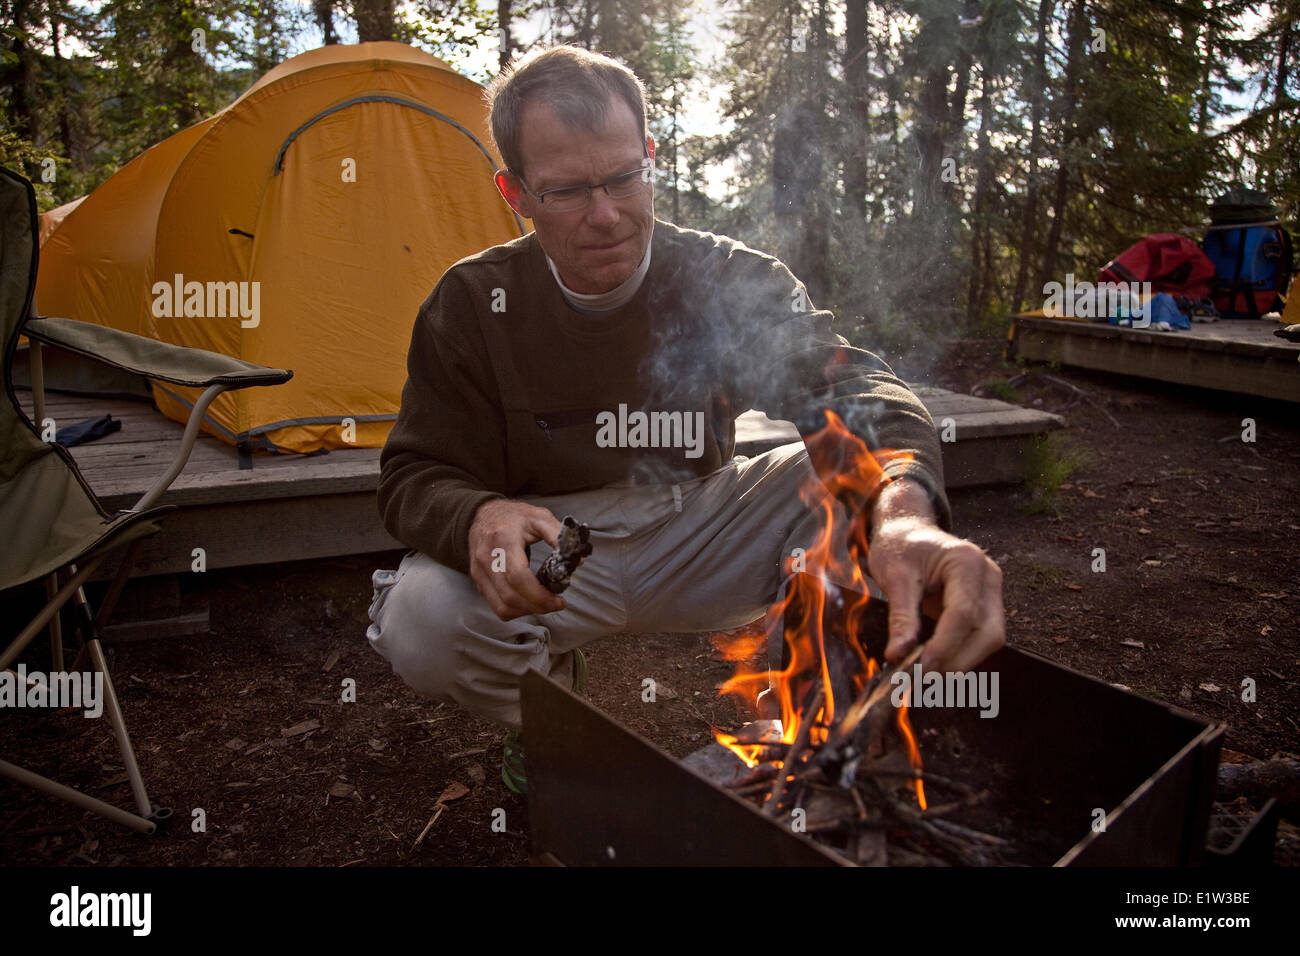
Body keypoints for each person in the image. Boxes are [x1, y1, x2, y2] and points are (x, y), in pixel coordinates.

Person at [365, 46, 1004, 793]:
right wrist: (477, 515)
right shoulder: (472, 303)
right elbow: (413, 471)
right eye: (568, 190)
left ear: (650, 157)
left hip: (700, 522)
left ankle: (830, 720)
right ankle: (543, 712)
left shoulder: (724, 277)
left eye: (624, 178)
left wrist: (900, 514)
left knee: (855, 480)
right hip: (554, 552)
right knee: (420, 617)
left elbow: (852, 385)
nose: (606, 215)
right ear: (516, 193)